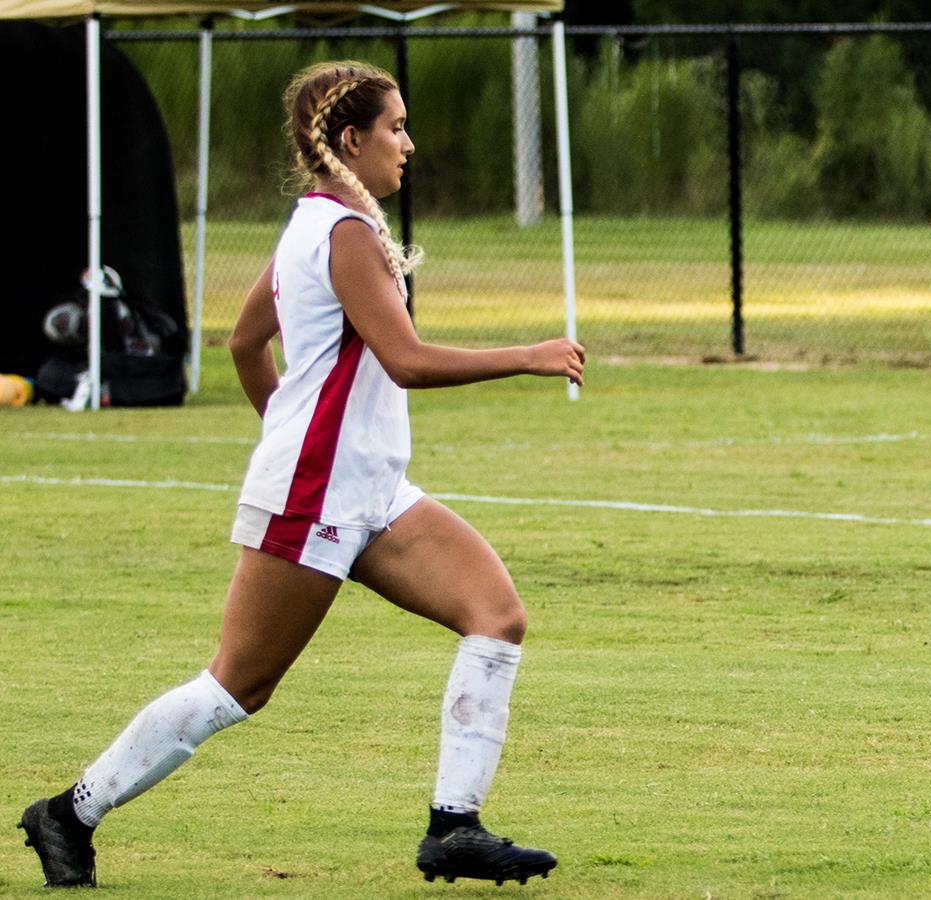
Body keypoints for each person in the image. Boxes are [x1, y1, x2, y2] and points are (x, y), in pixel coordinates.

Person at [17, 60, 587, 888]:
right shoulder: (342, 233)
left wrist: (296, 434)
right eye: (396, 128)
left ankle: (453, 826)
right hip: (319, 491)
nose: (409, 144)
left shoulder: (316, 222)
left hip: (367, 489)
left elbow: (246, 344)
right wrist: (528, 354)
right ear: (351, 140)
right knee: (237, 686)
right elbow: (407, 360)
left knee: (496, 617)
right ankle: (70, 811)